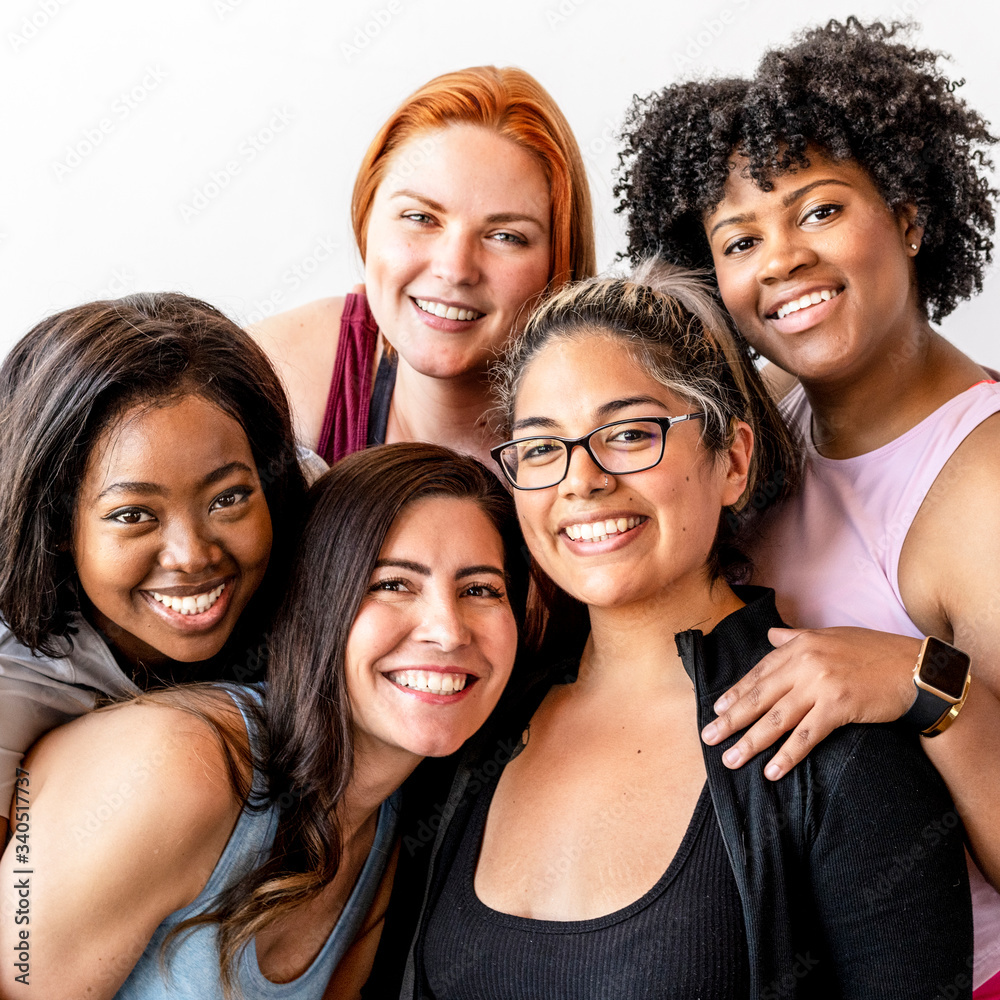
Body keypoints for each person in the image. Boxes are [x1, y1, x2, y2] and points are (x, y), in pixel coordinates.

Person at [397, 267, 972, 999]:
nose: (583, 480)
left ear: (731, 461)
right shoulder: (477, 719)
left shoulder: (836, 755)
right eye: (542, 448)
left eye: (630, 433)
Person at [617, 17, 1000, 994]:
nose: (779, 258)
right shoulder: (761, 429)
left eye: (819, 211)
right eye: (741, 238)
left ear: (908, 215)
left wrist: (926, 681)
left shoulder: (983, 481)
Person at [0, 443, 521, 999]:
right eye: (392, 584)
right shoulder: (181, 765)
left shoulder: (389, 831)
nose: (447, 631)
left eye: (481, 589)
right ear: (317, 602)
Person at [0, 292, 306, 823]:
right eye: (133, 514)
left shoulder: (316, 521)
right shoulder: (11, 673)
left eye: (228, 499)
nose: (192, 556)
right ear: (55, 526)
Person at [251, 65, 595, 468]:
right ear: (366, 221)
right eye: (420, 218)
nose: (454, 269)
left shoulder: (607, 416)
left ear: (559, 263)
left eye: (505, 236)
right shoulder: (281, 374)